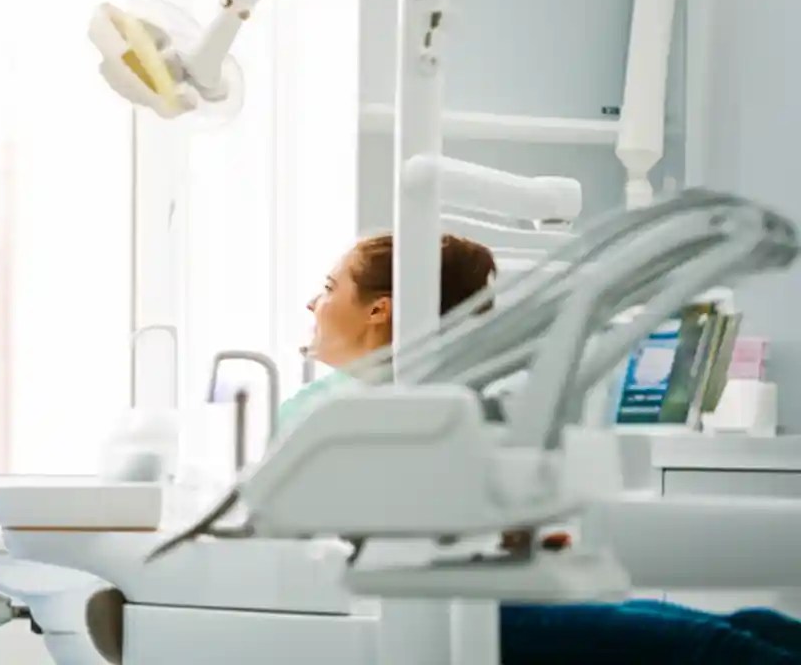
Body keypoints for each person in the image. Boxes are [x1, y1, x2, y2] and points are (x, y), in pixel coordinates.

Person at [285, 232, 801, 665]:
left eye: (329, 288)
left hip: (487, 599)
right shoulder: (326, 414)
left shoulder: (437, 407)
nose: (313, 302)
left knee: (754, 624)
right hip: (439, 614)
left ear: (379, 308)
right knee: (716, 648)